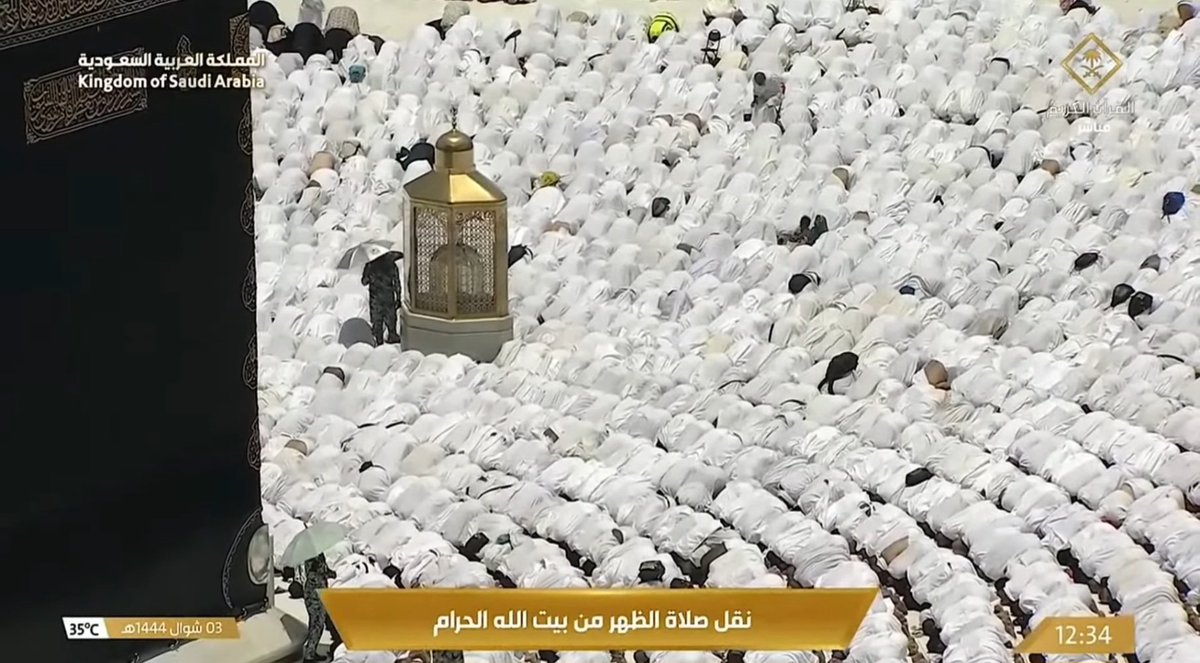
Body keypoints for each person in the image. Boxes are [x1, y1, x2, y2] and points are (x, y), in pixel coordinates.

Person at [301, 552, 336, 662]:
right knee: (317, 623)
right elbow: (317, 572)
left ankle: (311, 651)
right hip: (316, 593)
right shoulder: (314, 556)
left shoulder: (311, 555)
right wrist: (329, 573)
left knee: (315, 623)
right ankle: (309, 655)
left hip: (313, 592)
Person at [362, 251, 403, 345]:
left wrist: (371, 277)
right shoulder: (391, 266)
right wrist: (398, 298)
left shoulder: (370, 266)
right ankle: (391, 340)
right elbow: (397, 283)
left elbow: (364, 282)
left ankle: (379, 343)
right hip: (388, 298)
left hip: (375, 300)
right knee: (391, 323)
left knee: (377, 324)